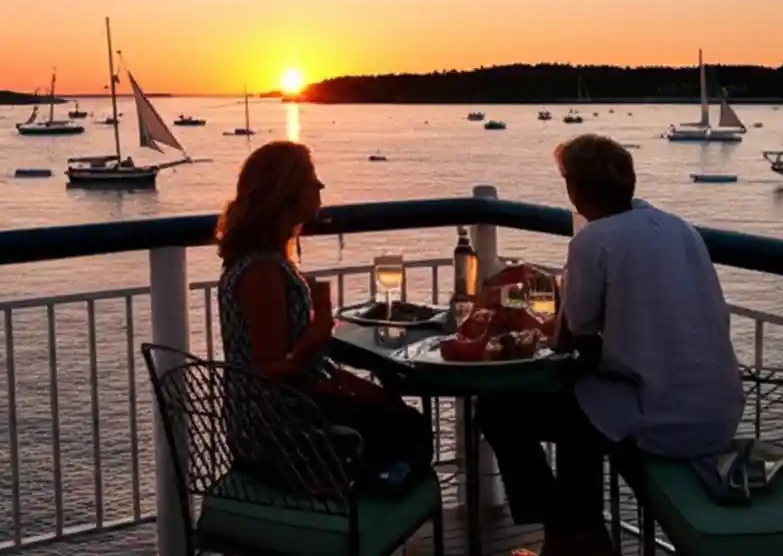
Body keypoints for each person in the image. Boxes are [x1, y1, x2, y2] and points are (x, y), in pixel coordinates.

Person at [479, 134, 745, 556]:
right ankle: (578, 535)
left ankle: (567, 530)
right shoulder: (680, 229)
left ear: (576, 188)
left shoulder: (593, 240)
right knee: (582, 406)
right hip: (720, 408)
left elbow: (573, 335)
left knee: (498, 408)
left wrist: (525, 308)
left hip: (663, 420)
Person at [215, 141, 431, 491]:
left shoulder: (267, 261)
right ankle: (360, 513)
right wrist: (320, 326)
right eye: (311, 179)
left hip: (294, 408)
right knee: (408, 428)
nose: (320, 186)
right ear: (286, 191)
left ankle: (369, 501)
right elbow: (269, 370)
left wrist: (345, 381)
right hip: (280, 431)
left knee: (396, 413)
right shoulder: (261, 271)